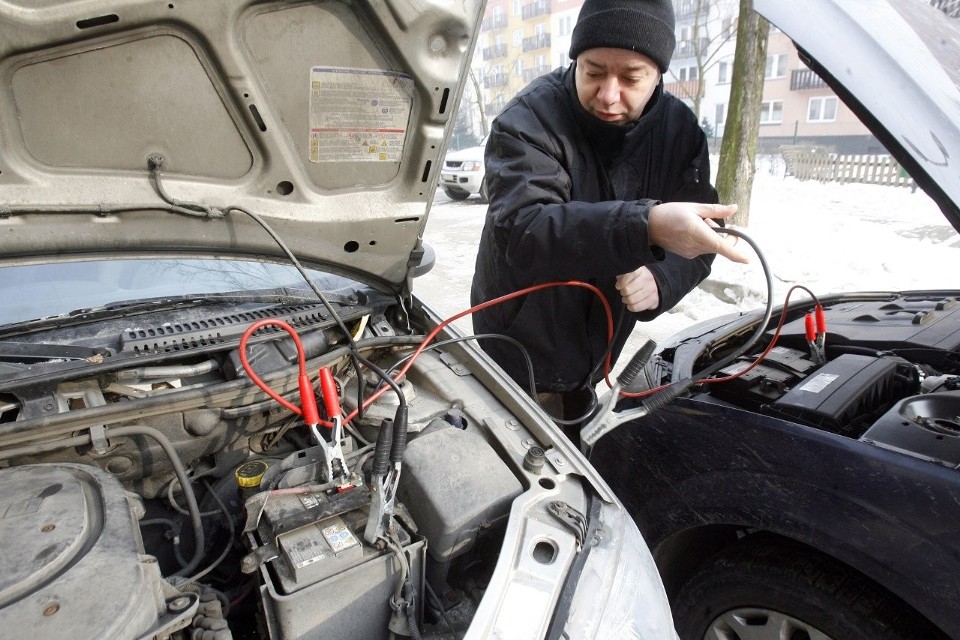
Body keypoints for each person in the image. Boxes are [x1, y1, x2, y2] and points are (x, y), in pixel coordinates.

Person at [469, 0, 749, 436]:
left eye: (631, 77)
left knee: (576, 451)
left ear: (658, 74)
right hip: (518, 345)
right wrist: (647, 226)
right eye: (593, 71)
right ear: (575, 60)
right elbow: (526, 232)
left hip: (597, 349)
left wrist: (661, 278)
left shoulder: (679, 133)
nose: (608, 94)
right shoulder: (529, 120)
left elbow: (698, 242)